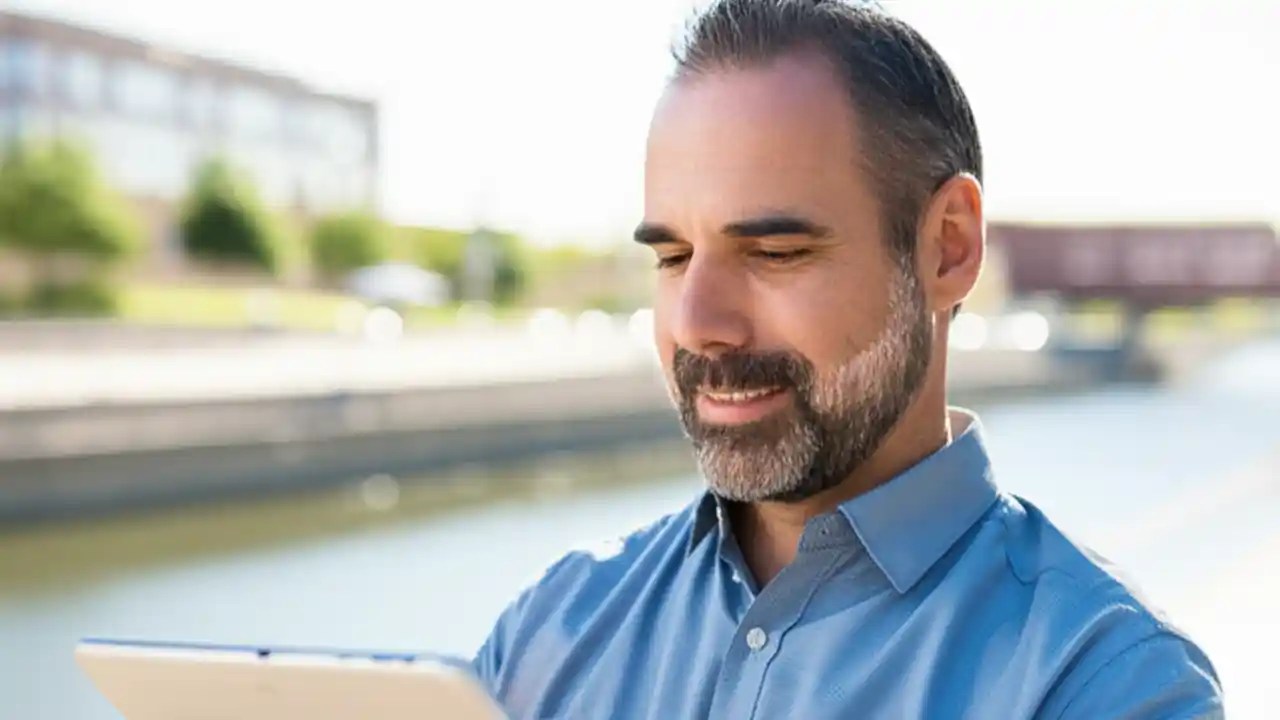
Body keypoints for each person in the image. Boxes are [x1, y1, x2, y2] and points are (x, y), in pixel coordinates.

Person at [472, 1, 1223, 717]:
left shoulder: (1105, 684)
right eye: (672, 257)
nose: (698, 324)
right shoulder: (551, 629)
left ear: (947, 249)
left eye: (774, 252)